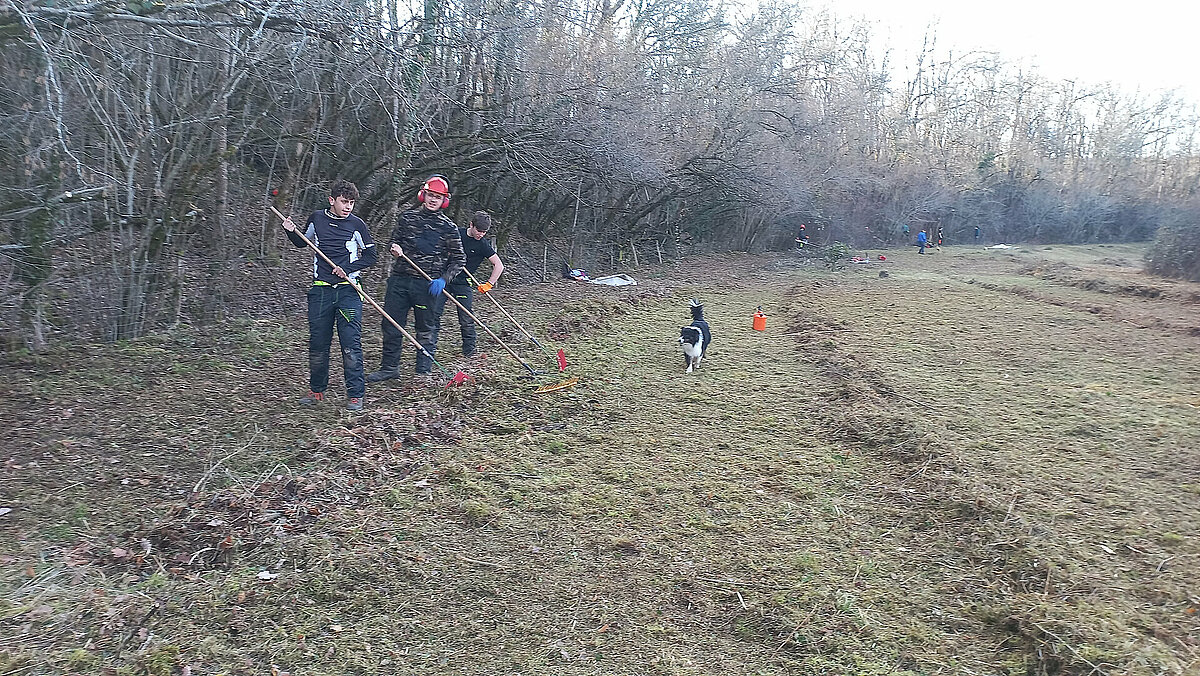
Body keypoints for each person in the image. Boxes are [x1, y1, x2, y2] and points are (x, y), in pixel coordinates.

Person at [281, 180, 377, 411]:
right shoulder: (316, 218)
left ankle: (355, 395)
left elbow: (371, 255)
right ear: (332, 200)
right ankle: (316, 391)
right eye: (344, 202)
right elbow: (302, 243)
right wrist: (289, 230)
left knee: (350, 344)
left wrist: (350, 268)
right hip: (321, 289)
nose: (348, 207)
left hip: (349, 291)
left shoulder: (357, 224)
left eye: (352, 203)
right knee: (318, 343)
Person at [367, 175, 465, 382]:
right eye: (430, 195)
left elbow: (459, 259)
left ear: (444, 201)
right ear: (423, 195)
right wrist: (394, 248)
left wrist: (444, 280)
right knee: (391, 325)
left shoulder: (449, 228)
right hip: (400, 280)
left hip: (427, 285)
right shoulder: (407, 218)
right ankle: (389, 368)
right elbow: (393, 241)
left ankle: (423, 371)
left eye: (438, 197)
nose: (433, 200)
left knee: (425, 328)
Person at [446, 211, 504, 357]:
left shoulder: (482, 244)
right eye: (479, 230)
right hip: (444, 279)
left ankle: (469, 351)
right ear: (471, 225)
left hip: (463, 283)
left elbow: (499, 265)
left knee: (466, 317)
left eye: (484, 232)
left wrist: (489, 284)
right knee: (433, 312)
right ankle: (428, 349)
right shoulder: (456, 233)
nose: (481, 234)